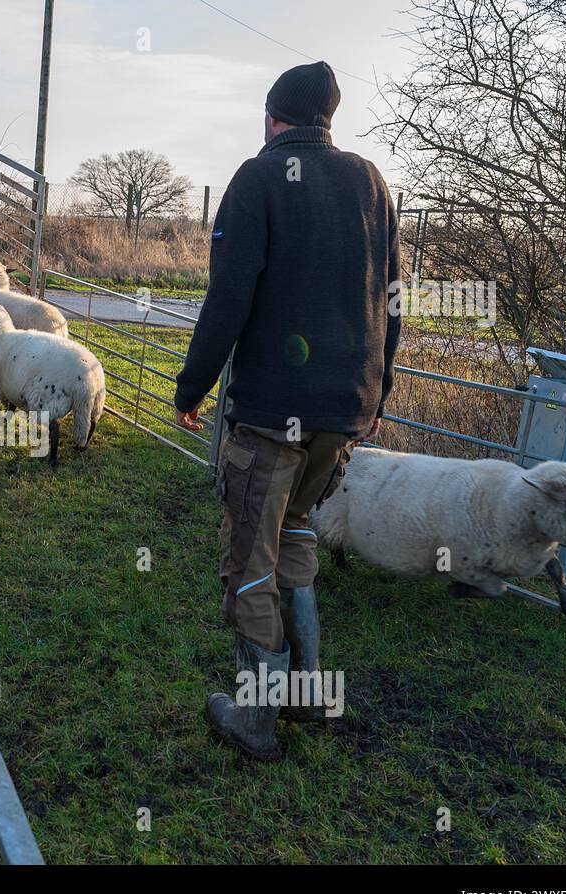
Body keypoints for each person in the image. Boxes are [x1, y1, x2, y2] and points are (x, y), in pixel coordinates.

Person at [173, 61, 401, 760]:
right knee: (297, 537)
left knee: (250, 557)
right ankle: (309, 699)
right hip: (344, 414)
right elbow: (392, 299)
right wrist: (376, 391)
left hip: (273, 414)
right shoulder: (370, 181)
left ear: (273, 116)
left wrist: (192, 388)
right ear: (325, 120)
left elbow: (228, 300)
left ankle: (257, 717)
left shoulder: (259, 178)